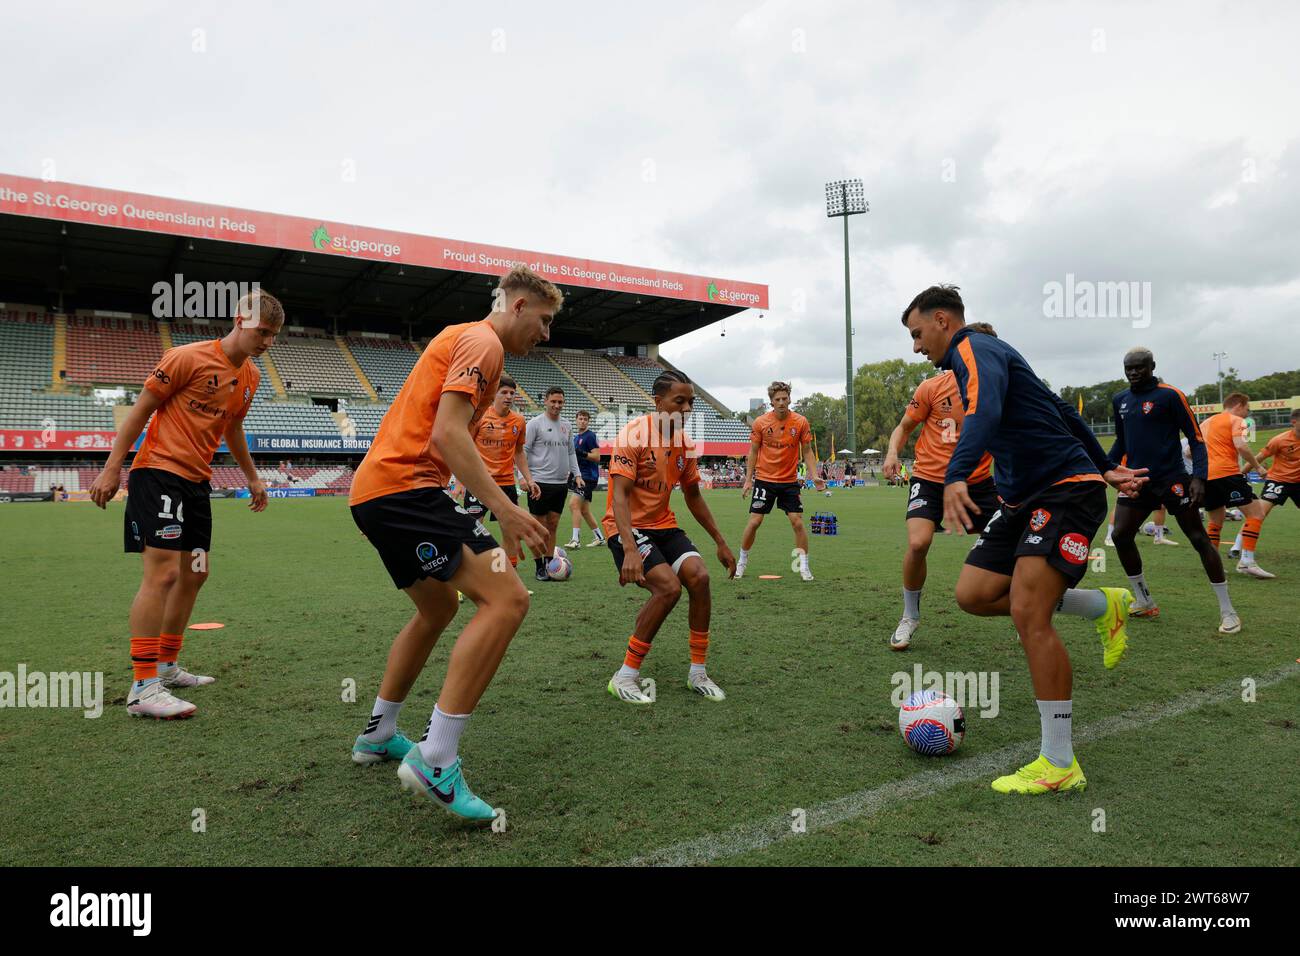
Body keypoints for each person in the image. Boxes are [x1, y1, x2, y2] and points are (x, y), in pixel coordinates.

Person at [902, 285, 1148, 795]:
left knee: (1028, 614)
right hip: (1020, 500)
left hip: (1061, 493)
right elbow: (1068, 415)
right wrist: (1109, 467)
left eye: (917, 333)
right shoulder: (986, 359)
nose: (916, 346)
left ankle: (1059, 762)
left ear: (942, 320)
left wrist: (955, 476)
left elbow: (988, 412)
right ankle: (1102, 606)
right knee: (974, 595)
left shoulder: (974, 350)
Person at [347, 265, 553, 822]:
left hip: (380, 492)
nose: (547, 333)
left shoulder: (471, 340)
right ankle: (435, 758)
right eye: (544, 318)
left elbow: (444, 435)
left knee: (438, 607)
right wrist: (507, 512)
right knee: (508, 599)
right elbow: (446, 433)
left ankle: (378, 732)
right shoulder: (483, 342)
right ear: (517, 306)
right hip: (405, 490)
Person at [88, 290, 282, 718]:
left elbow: (233, 430)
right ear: (239, 319)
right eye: (262, 331)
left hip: (196, 482)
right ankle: (143, 686)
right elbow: (140, 412)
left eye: (274, 335)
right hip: (158, 472)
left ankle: (167, 665)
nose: (267, 341)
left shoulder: (249, 378)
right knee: (160, 575)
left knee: (195, 572)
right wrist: (111, 468)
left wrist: (252, 477)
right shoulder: (185, 358)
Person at [604, 370, 736, 704]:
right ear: (658, 401)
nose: (687, 408)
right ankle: (625, 677)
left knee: (700, 578)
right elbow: (619, 497)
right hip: (626, 528)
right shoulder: (634, 435)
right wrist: (629, 550)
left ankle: (698, 673)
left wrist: (720, 541)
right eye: (680, 401)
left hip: (663, 525)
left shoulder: (685, 444)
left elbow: (693, 496)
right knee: (668, 588)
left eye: (691, 401)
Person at [1105, 348, 1240, 632]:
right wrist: (1104, 466)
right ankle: (1144, 600)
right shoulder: (1120, 400)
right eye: (1128, 368)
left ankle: (1228, 611)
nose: (1133, 373)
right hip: (1138, 480)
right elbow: (1122, 442)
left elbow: (1196, 438)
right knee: (1120, 534)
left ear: (1152, 366)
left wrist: (1199, 478)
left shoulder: (1170, 395)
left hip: (1173, 480)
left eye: (1139, 367)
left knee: (1198, 538)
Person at [883, 325, 1000, 651]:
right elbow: (903, 427)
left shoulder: (998, 392)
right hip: (930, 482)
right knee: (918, 543)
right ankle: (910, 616)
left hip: (977, 484)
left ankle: (1024, 607)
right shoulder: (932, 386)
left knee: (1015, 543)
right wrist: (893, 452)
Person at [737, 381, 826, 580]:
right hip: (765, 480)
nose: (781, 402)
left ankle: (802, 566)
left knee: (797, 522)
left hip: (789, 481)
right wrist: (748, 480)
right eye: (777, 399)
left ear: (789, 399)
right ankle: (741, 562)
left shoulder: (801, 422)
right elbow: (753, 452)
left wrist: (814, 474)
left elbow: (808, 451)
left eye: (784, 398)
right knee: (754, 522)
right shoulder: (760, 423)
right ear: (771, 402)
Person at [1201, 393, 1274, 578]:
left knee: (1215, 522)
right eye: (1247, 409)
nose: (1247, 413)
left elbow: (1188, 451)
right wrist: (1257, 467)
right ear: (1239, 405)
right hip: (1227, 473)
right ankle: (1246, 562)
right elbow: (1241, 445)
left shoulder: (1205, 423)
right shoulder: (1237, 421)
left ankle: (1213, 564)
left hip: (1207, 476)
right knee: (1257, 513)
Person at [466, 375, 534, 565]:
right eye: (504, 392)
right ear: (494, 394)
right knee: (473, 529)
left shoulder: (519, 421)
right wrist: (461, 481)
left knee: (510, 531)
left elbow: (519, 452)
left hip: (506, 483)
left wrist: (529, 479)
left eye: (512, 393)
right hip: (480, 483)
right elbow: (466, 446)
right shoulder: (479, 416)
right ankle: (469, 580)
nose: (509, 396)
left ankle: (508, 574)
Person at [523, 387, 585, 581]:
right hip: (539, 483)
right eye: (554, 401)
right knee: (538, 528)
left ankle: (550, 564)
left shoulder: (567, 425)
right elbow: (523, 451)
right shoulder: (534, 424)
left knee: (553, 525)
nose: (557, 405)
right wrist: (524, 478)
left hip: (560, 484)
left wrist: (577, 475)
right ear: (546, 401)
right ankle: (539, 565)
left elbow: (571, 452)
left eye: (560, 402)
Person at [1232, 408, 1300, 555]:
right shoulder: (1280, 440)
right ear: (1294, 422)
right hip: (1278, 481)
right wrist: (1241, 474)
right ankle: (1237, 546)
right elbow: (1258, 458)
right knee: (1259, 514)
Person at [566, 408, 605, 548]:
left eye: (585, 419)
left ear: (588, 421)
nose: (582, 421)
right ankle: (600, 538)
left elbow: (597, 457)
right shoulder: (576, 438)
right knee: (584, 510)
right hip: (579, 477)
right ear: (576, 420)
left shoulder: (590, 436)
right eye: (580, 418)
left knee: (573, 504)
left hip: (588, 477)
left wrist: (581, 453)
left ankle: (575, 540)